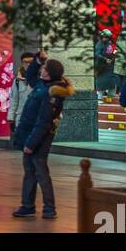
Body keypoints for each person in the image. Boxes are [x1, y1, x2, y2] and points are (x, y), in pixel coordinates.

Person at [12, 56, 74, 220]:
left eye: (44, 67)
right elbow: (31, 76)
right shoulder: (43, 85)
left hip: (39, 137)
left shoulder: (52, 92)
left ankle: (49, 208)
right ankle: (27, 205)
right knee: (30, 171)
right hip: (30, 133)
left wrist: (31, 144)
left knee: (40, 171)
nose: (42, 69)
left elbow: (43, 121)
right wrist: (37, 61)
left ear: (50, 72)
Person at [7, 53, 35, 143]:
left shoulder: (42, 79)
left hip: (37, 117)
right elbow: (14, 100)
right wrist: (11, 118)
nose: (28, 64)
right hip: (21, 117)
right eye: (25, 62)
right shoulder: (17, 81)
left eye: (31, 62)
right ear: (22, 63)